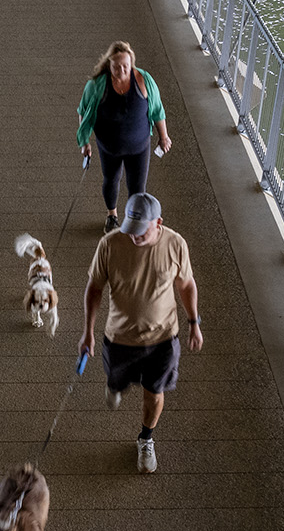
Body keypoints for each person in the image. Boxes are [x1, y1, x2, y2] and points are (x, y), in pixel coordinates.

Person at [78, 192, 202, 474]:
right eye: (129, 230)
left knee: (154, 392)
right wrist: (88, 332)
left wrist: (194, 322)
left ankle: (145, 438)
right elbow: (94, 288)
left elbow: (186, 285)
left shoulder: (175, 244)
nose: (134, 237)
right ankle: (115, 385)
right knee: (116, 379)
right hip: (119, 338)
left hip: (162, 340)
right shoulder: (109, 244)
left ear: (158, 222)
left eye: (141, 231)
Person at [76, 41, 171, 232]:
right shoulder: (96, 85)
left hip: (139, 147)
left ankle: (132, 219)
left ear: (132, 64)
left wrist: (164, 136)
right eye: (116, 67)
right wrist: (84, 141)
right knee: (111, 180)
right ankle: (112, 215)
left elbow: (157, 111)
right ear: (108, 65)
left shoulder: (144, 81)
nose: (121, 70)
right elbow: (83, 111)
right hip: (109, 147)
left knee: (137, 187)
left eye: (125, 66)